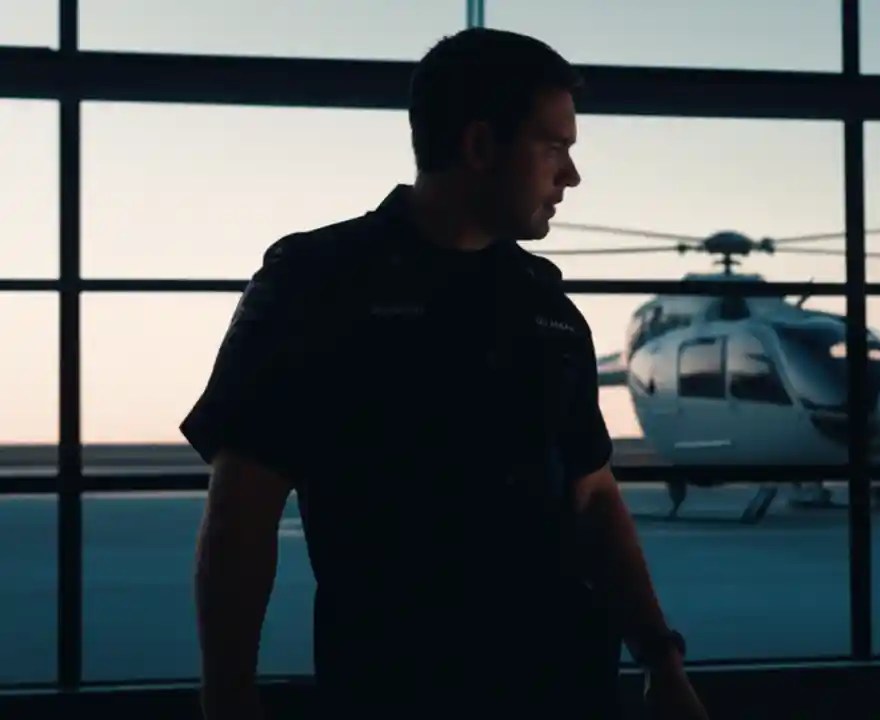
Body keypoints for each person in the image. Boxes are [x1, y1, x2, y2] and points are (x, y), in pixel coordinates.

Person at [182, 27, 708, 719]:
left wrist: (660, 659)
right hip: (402, 691)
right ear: (481, 146)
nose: (570, 176)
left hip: (566, 687)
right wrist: (228, 701)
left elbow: (594, 497)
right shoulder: (316, 284)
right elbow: (241, 511)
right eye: (554, 148)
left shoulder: (544, 304)